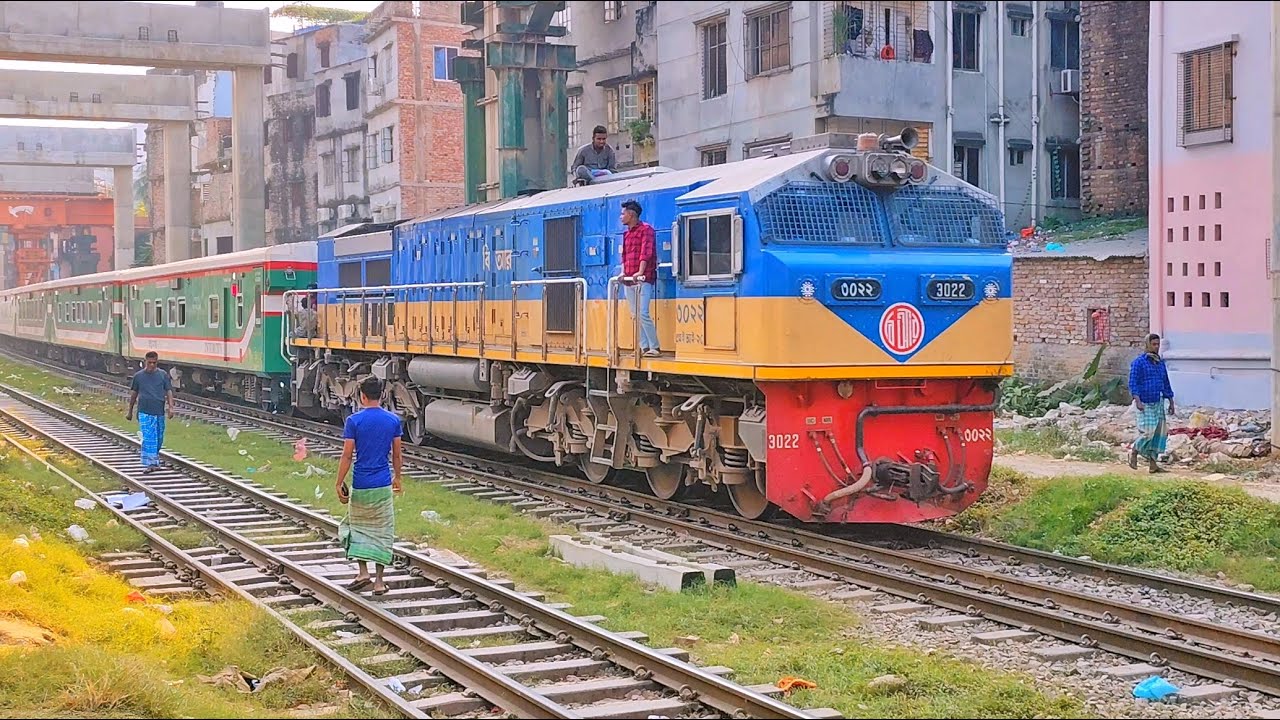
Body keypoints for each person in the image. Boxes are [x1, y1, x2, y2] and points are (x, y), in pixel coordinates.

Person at [335, 376, 403, 595]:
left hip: (361, 483)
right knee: (382, 531)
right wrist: (398, 478)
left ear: (362, 396)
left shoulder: (354, 421)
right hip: (383, 483)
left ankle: (363, 572)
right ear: (382, 395)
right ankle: (380, 582)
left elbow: (347, 456)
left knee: (357, 528)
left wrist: (339, 482)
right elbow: (397, 455)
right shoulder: (392, 420)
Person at [1128, 333, 1175, 474]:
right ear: (1147, 344)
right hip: (1145, 402)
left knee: (1159, 435)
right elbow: (1133, 383)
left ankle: (1153, 465)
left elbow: (1165, 383)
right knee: (1148, 433)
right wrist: (1137, 400)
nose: (1156, 347)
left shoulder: (1160, 363)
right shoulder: (1139, 362)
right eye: (1153, 344)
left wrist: (1171, 401)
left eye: (1157, 344)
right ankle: (1134, 451)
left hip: (1159, 401)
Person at [619, 198, 660, 357]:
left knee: (643, 312)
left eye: (623, 214)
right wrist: (623, 273)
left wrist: (640, 272)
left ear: (631, 214)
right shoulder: (626, 234)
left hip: (644, 278)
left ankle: (654, 347)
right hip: (629, 279)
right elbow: (625, 255)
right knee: (635, 314)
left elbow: (646, 252)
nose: (621, 217)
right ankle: (643, 347)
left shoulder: (646, 230)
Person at [125, 351, 174, 474]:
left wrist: (171, 407)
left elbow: (168, 391)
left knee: (158, 438)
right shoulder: (138, 376)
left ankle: (154, 460)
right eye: (150, 362)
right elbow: (134, 394)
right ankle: (151, 463)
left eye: (154, 363)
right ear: (145, 361)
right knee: (149, 437)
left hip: (159, 410)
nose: (152, 365)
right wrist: (130, 411)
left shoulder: (162, 375)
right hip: (144, 411)